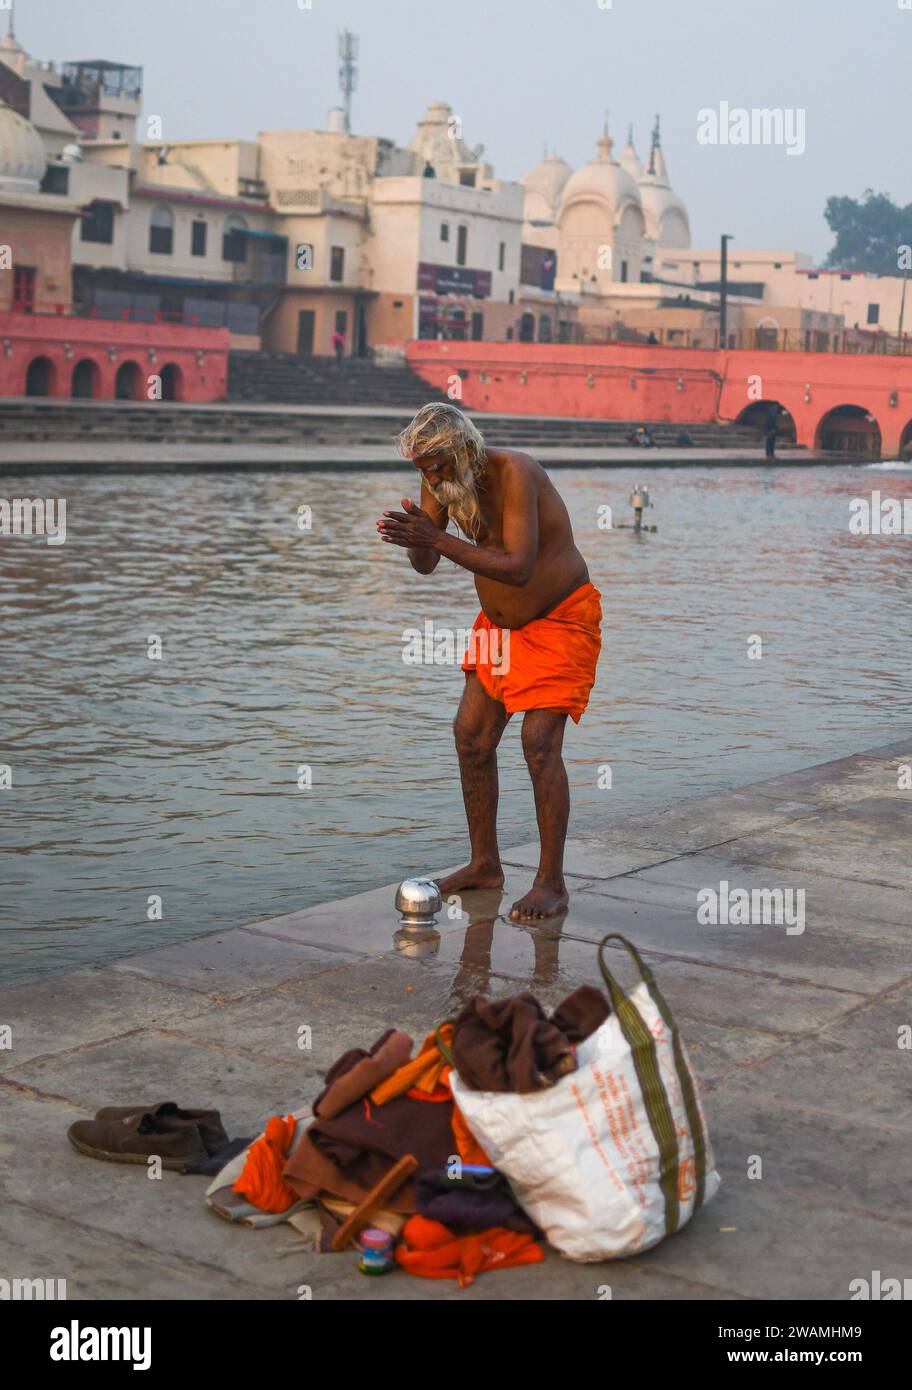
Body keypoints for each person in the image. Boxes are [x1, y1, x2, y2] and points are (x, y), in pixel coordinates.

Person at [377, 403, 602, 922]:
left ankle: (551, 884)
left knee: (538, 743)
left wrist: (437, 539)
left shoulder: (515, 472)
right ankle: (485, 864)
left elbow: (519, 568)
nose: (430, 478)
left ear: (465, 451)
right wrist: (416, 538)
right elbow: (428, 564)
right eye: (422, 470)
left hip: (560, 619)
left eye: (437, 467)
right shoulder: (440, 482)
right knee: (471, 736)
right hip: (498, 628)